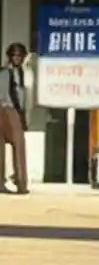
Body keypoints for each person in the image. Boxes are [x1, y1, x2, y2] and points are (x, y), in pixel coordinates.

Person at [0, 42, 29, 195]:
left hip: (12, 110)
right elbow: (7, 94)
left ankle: (18, 181)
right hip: (8, 109)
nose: (17, 58)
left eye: (19, 55)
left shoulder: (20, 72)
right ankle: (20, 182)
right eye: (14, 55)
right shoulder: (7, 72)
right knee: (18, 145)